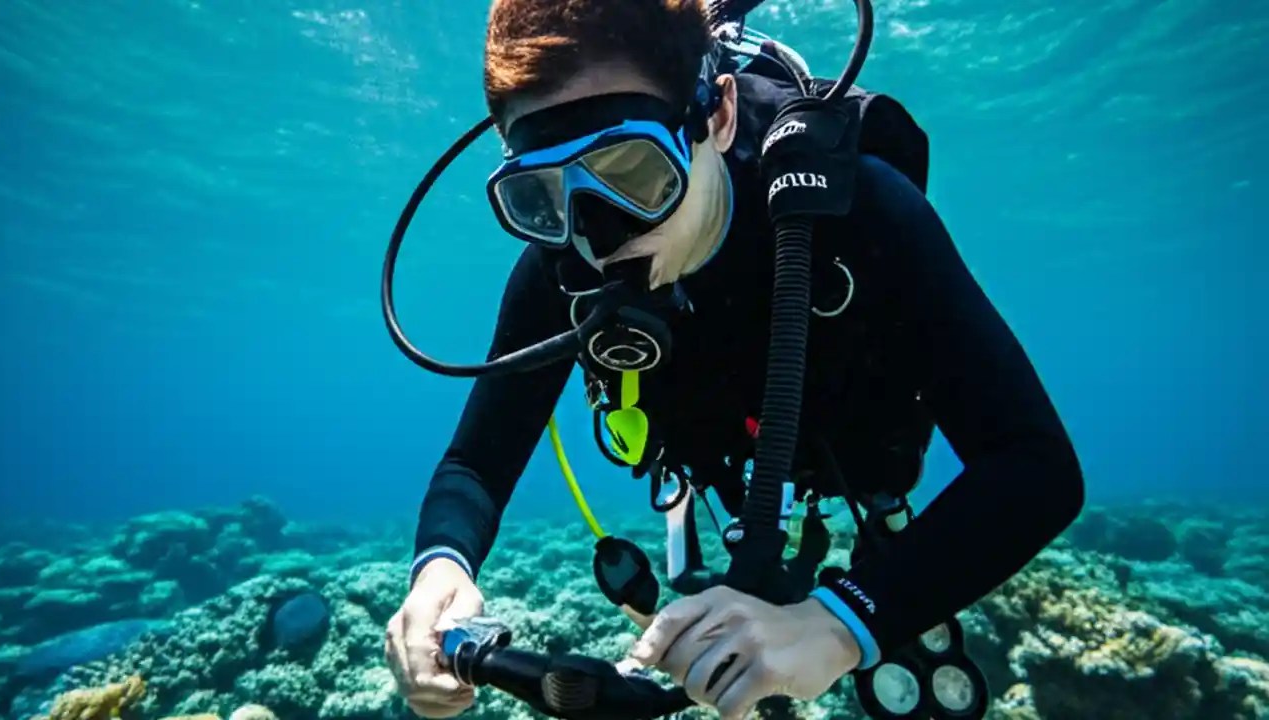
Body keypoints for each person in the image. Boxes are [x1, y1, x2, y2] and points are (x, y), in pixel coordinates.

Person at [383, 0, 1085, 718]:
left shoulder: (859, 210)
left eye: (632, 170)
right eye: (542, 194)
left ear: (715, 115)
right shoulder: (559, 268)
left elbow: (1036, 468)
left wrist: (841, 623)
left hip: (849, 447)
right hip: (715, 455)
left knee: (879, 490)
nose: (596, 238)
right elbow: (476, 462)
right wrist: (441, 567)